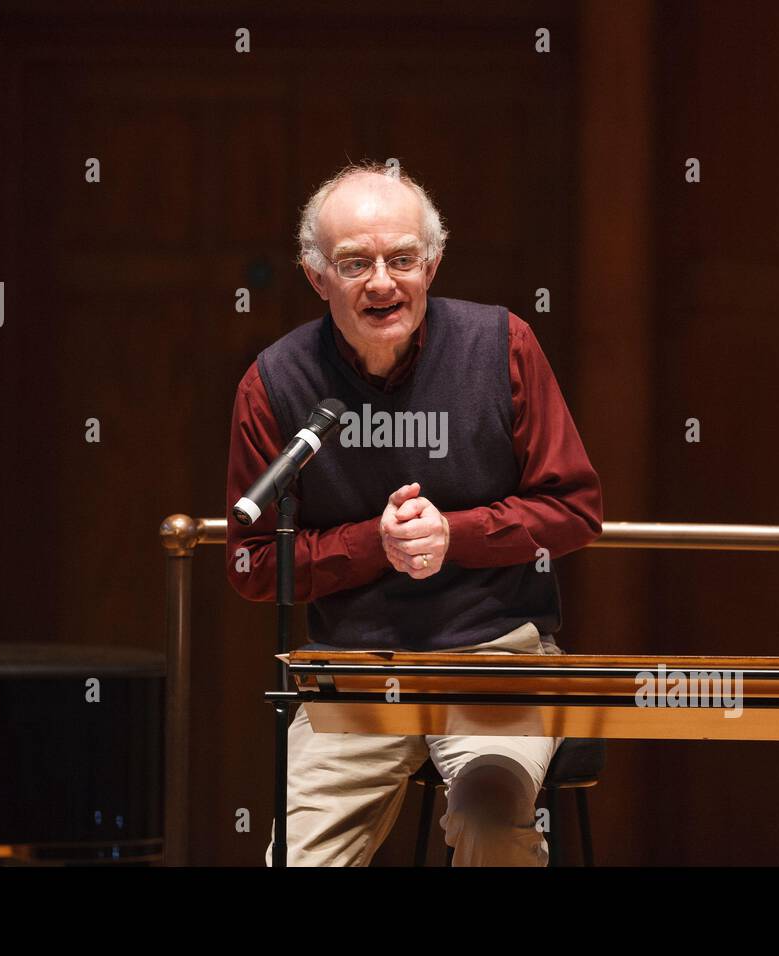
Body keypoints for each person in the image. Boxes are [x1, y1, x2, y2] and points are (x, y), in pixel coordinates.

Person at [225, 160, 602, 866]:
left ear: (431, 263)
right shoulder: (275, 381)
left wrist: (452, 535)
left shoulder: (503, 344)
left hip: (495, 658)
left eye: (402, 259)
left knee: (492, 817)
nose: (381, 282)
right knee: (295, 860)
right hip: (355, 667)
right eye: (355, 262)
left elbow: (574, 508)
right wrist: (376, 543)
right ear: (316, 276)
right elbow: (250, 562)